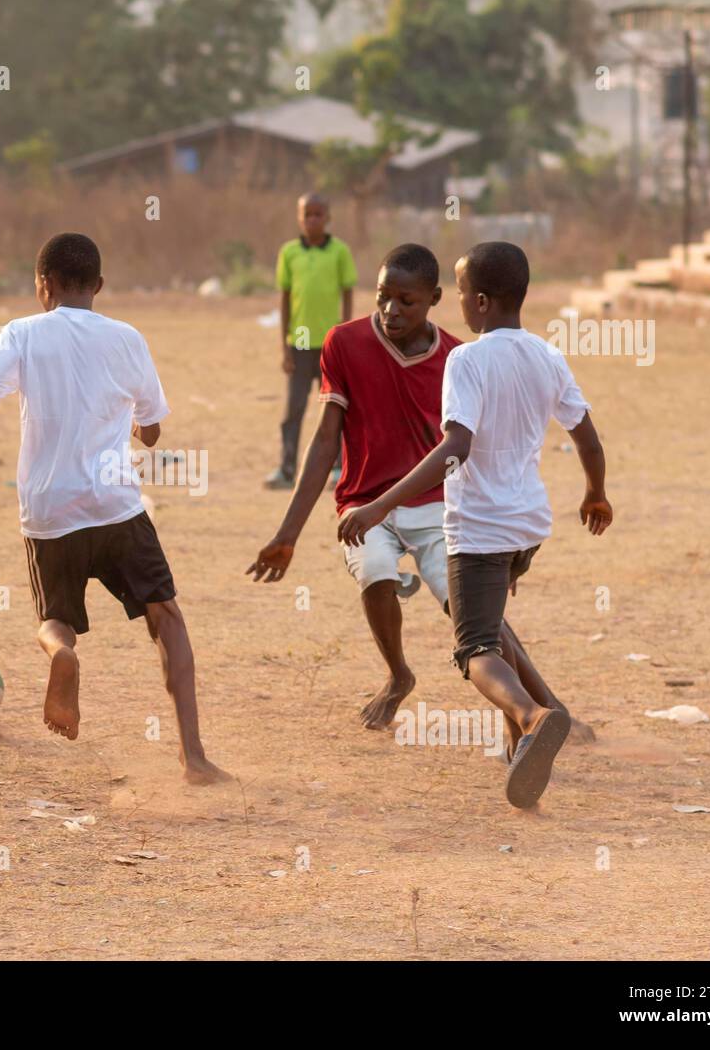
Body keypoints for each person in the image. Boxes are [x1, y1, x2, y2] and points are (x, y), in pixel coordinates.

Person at [0, 233, 229, 785]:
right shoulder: (128, 337)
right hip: (116, 505)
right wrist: (133, 423)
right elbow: (151, 432)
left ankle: (63, 653)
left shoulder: (23, 333)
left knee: (55, 619)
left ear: (42, 287)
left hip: (51, 508)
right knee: (165, 617)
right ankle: (193, 756)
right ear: (99, 286)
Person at [337, 242, 612, 808]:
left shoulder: (467, 360)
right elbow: (585, 433)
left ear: (481, 301)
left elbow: (455, 448)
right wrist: (595, 494)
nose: (457, 303)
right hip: (527, 528)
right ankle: (520, 757)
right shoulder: (546, 356)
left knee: (477, 650)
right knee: (492, 624)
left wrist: (380, 504)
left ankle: (532, 718)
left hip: (479, 528)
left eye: (460, 293)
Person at [250, 244, 459, 729]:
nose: (391, 310)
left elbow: (468, 449)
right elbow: (325, 441)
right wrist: (288, 534)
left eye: (407, 301)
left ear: (434, 298)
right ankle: (398, 675)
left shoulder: (457, 357)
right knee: (376, 573)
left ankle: (534, 705)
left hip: (434, 503)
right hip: (364, 505)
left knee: (466, 605)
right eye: (384, 295)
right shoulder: (344, 343)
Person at [266, 192, 357, 490]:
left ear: (328, 217)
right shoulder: (290, 252)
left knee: (333, 409)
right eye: (307, 214)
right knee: (293, 409)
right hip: (301, 343)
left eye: (318, 214)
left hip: (331, 345)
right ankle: (287, 469)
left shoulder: (339, 252)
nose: (312, 219)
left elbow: (347, 292)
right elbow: (285, 298)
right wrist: (284, 347)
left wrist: (344, 336)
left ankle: (337, 469)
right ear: (299, 217)